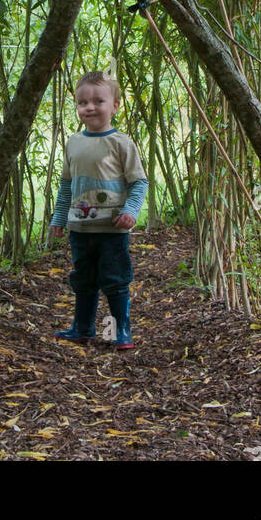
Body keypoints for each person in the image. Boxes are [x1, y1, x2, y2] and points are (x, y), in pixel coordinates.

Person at [49, 69, 148, 350]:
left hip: (112, 228)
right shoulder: (73, 142)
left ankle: (120, 331)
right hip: (80, 227)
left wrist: (130, 211)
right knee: (83, 278)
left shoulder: (121, 143)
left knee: (115, 280)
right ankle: (82, 327)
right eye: (82, 102)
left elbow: (139, 182)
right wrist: (59, 217)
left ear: (115, 106)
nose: (89, 107)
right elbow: (67, 185)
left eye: (98, 101)